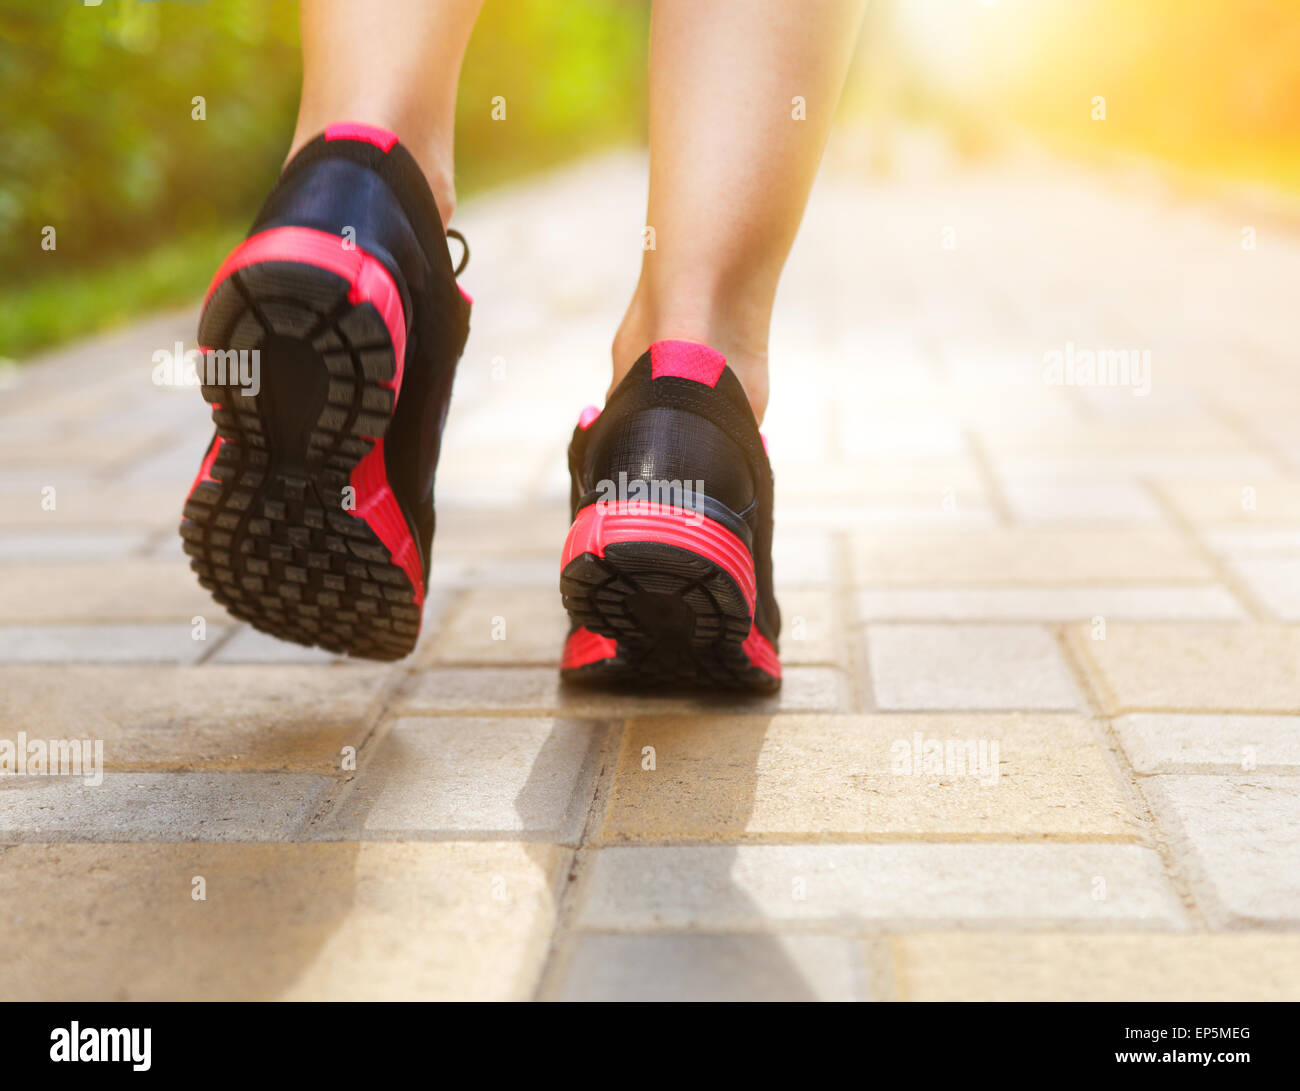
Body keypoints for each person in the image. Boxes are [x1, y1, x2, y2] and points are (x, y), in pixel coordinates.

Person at [180, 0, 866, 691]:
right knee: (695, 327)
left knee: (367, 150)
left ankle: (351, 192)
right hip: (691, 437)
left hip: (333, 214)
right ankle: (688, 395)